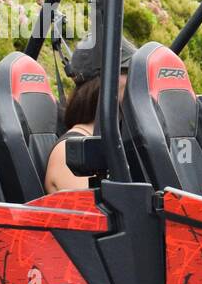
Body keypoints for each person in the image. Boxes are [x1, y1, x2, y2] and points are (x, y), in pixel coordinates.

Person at [44, 35, 136, 194]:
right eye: (128, 71)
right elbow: (98, 215)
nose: (136, 79)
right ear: (103, 82)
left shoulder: (117, 138)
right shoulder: (69, 153)